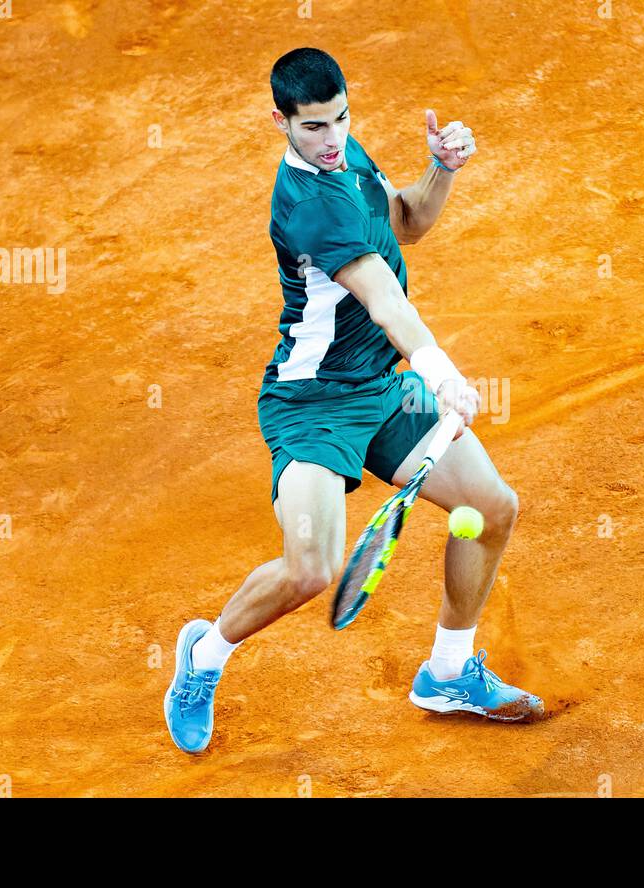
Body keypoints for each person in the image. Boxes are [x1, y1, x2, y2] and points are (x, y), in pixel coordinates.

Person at [163, 47, 543, 754]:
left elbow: (406, 222)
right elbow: (384, 297)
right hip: (312, 404)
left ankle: (450, 672)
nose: (332, 138)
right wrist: (440, 372)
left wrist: (442, 169)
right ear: (278, 120)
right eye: (312, 128)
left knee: (492, 507)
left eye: (341, 118)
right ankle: (204, 655)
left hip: (381, 388)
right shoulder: (306, 206)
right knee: (311, 569)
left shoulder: (347, 154)